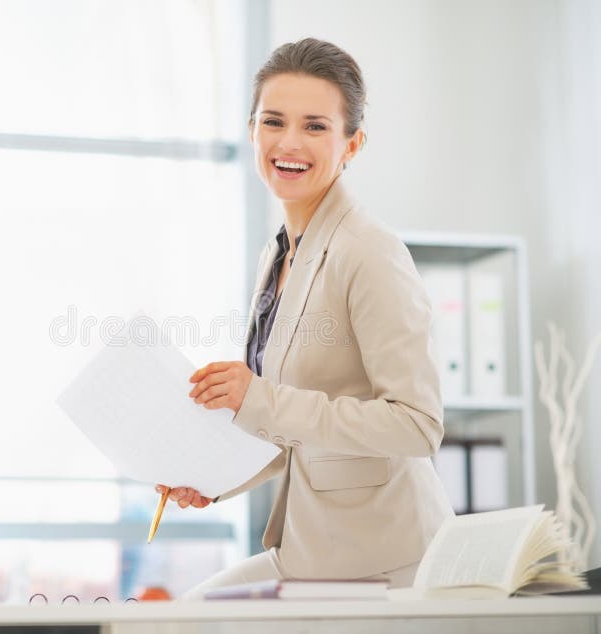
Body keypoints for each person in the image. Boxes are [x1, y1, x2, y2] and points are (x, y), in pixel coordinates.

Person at [156, 37, 454, 599]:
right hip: (311, 551)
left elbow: (417, 425)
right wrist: (211, 482)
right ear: (251, 133)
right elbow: (292, 431)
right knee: (182, 613)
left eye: (316, 126)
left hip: (388, 563)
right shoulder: (280, 254)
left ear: (352, 144)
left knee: (187, 616)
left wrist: (256, 397)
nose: (289, 142)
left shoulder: (369, 250)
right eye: (274, 121)